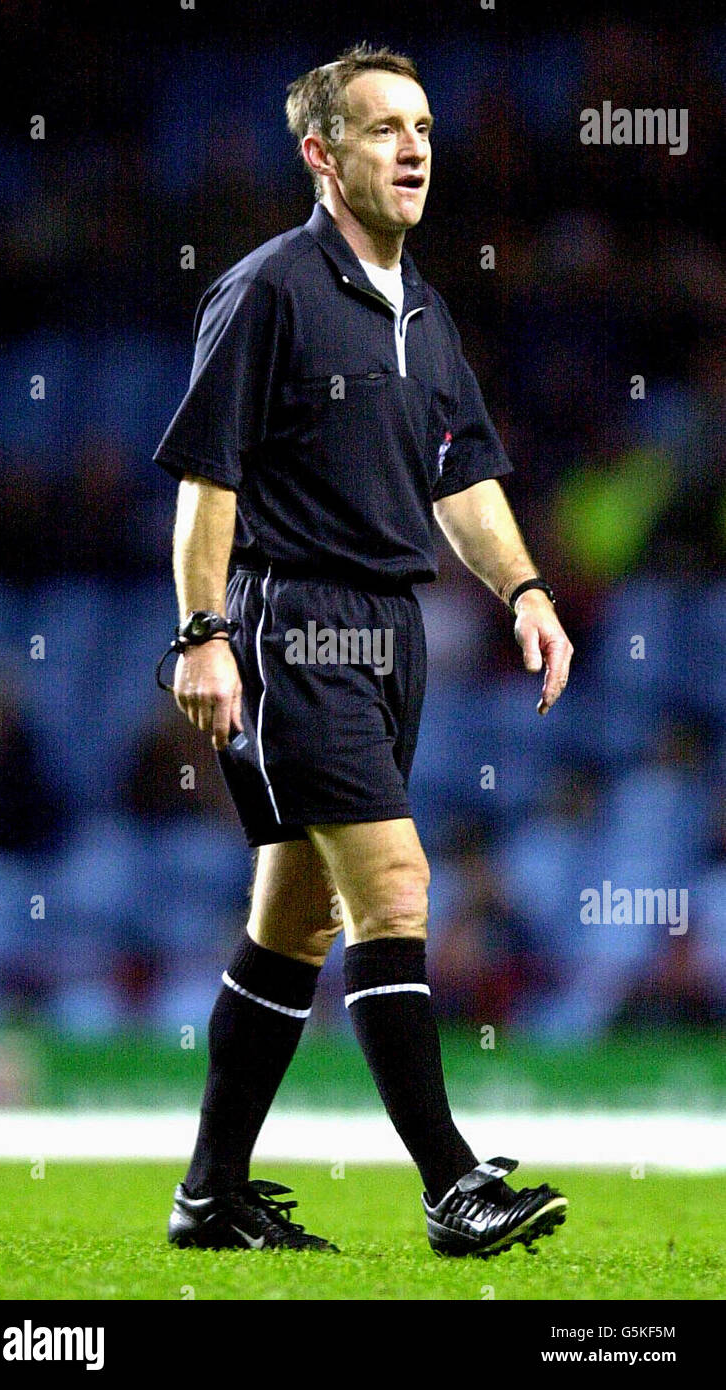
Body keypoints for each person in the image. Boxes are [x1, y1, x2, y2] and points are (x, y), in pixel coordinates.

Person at [153, 43, 573, 1257]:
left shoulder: (424, 309)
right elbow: (203, 477)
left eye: (425, 126)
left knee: (295, 920)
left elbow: (464, 478)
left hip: (393, 635)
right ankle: (451, 1182)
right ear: (321, 155)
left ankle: (209, 1193)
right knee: (392, 885)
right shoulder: (268, 288)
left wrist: (526, 589)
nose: (414, 147)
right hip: (295, 625)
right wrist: (204, 634)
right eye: (384, 127)